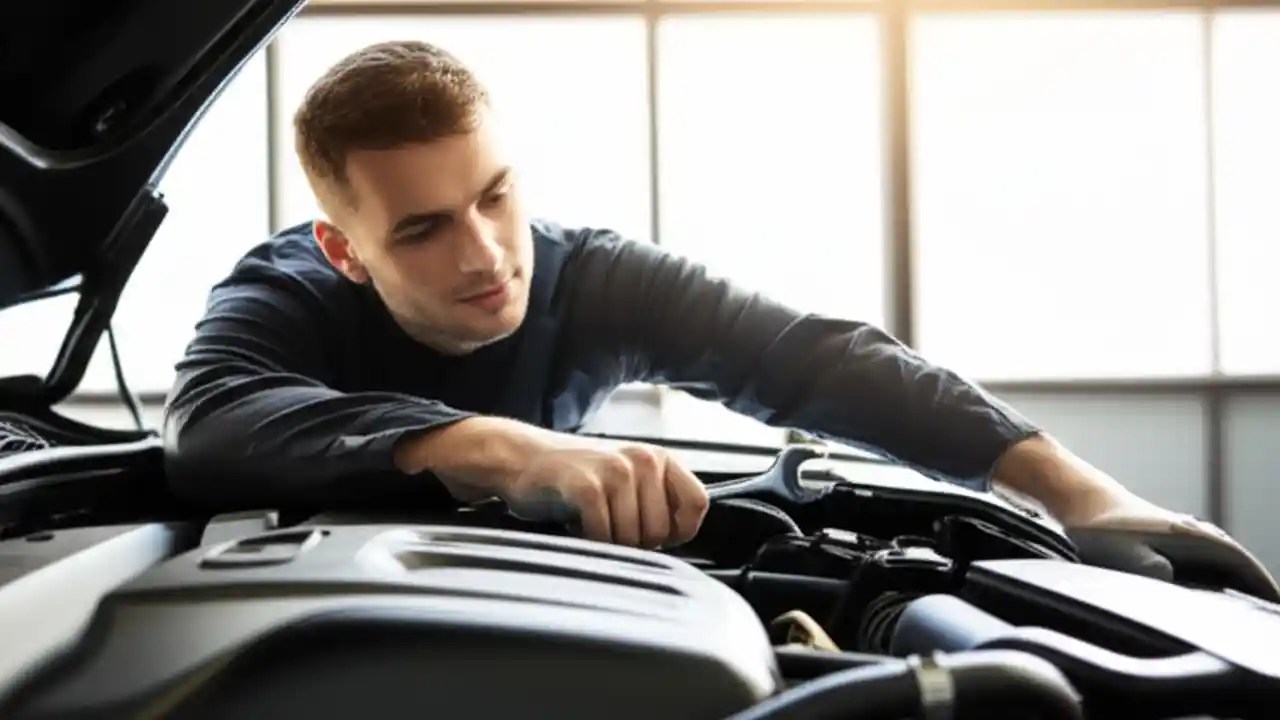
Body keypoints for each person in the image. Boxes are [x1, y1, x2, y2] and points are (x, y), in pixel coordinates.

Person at [162, 39, 1239, 558]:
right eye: (421, 228)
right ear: (345, 252)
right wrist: (505, 448)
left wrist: (1075, 493)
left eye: (494, 195)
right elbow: (207, 422)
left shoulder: (589, 276)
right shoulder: (286, 292)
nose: (489, 252)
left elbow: (812, 358)